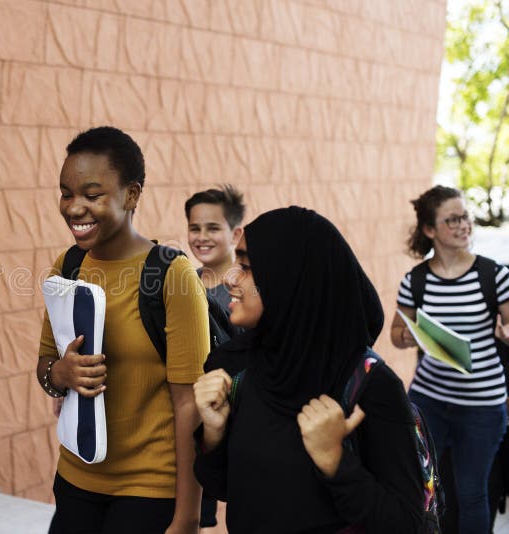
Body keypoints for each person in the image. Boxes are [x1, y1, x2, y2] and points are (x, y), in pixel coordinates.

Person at [194, 206, 425, 533]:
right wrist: (213, 435)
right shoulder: (233, 366)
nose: (230, 278)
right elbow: (222, 488)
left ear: (290, 279)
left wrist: (336, 462)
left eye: (246, 266)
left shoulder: (368, 384)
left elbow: (406, 523)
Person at [38, 126, 210, 534]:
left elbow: (190, 405)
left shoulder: (173, 275)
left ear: (131, 195)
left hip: (148, 490)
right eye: (66, 193)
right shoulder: (68, 267)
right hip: (76, 477)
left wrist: (187, 516)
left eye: (92, 195)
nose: (74, 208)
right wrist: (59, 375)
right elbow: (46, 364)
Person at [390, 185, 509, 533]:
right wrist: (407, 335)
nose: (463, 225)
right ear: (430, 230)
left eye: (465, 217)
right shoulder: (415, 281)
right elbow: (397, 334)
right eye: (452, 219)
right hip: (429, 402)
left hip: (483, 407)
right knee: (420, 487)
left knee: (472, 493)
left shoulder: (495, 275)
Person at [184, 185, 245, 530]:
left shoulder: (245, 289)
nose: (202, 237)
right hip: (188, 417)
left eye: (213, 228)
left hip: (227, 420)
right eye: (195, 228)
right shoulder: (183, 284)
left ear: (235, 233)